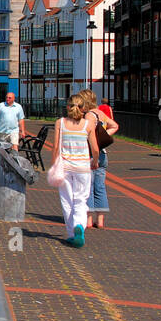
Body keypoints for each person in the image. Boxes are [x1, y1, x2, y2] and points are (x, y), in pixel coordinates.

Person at [52, 93, 99, 247]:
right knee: (80, 199)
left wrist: (54, 165)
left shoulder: (60, 123)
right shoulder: (88, 125)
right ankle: (79, 226)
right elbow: (96, 149)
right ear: (83, 108)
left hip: (65, 166)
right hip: (83, 168)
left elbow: (56, 147)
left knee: (66, 201)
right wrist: (95, 161)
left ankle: (72, 233)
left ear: (67, 107)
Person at [80, 89, 118, 230]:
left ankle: (89, 220)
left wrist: (96, 140)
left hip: (92, 154)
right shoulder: (100, 113)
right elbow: (115, 125)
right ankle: (100, 220)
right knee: (100, 187)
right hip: (103, 153)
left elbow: (89, 135)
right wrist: (104, 137)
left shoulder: (89, 115)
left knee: (88, 187)